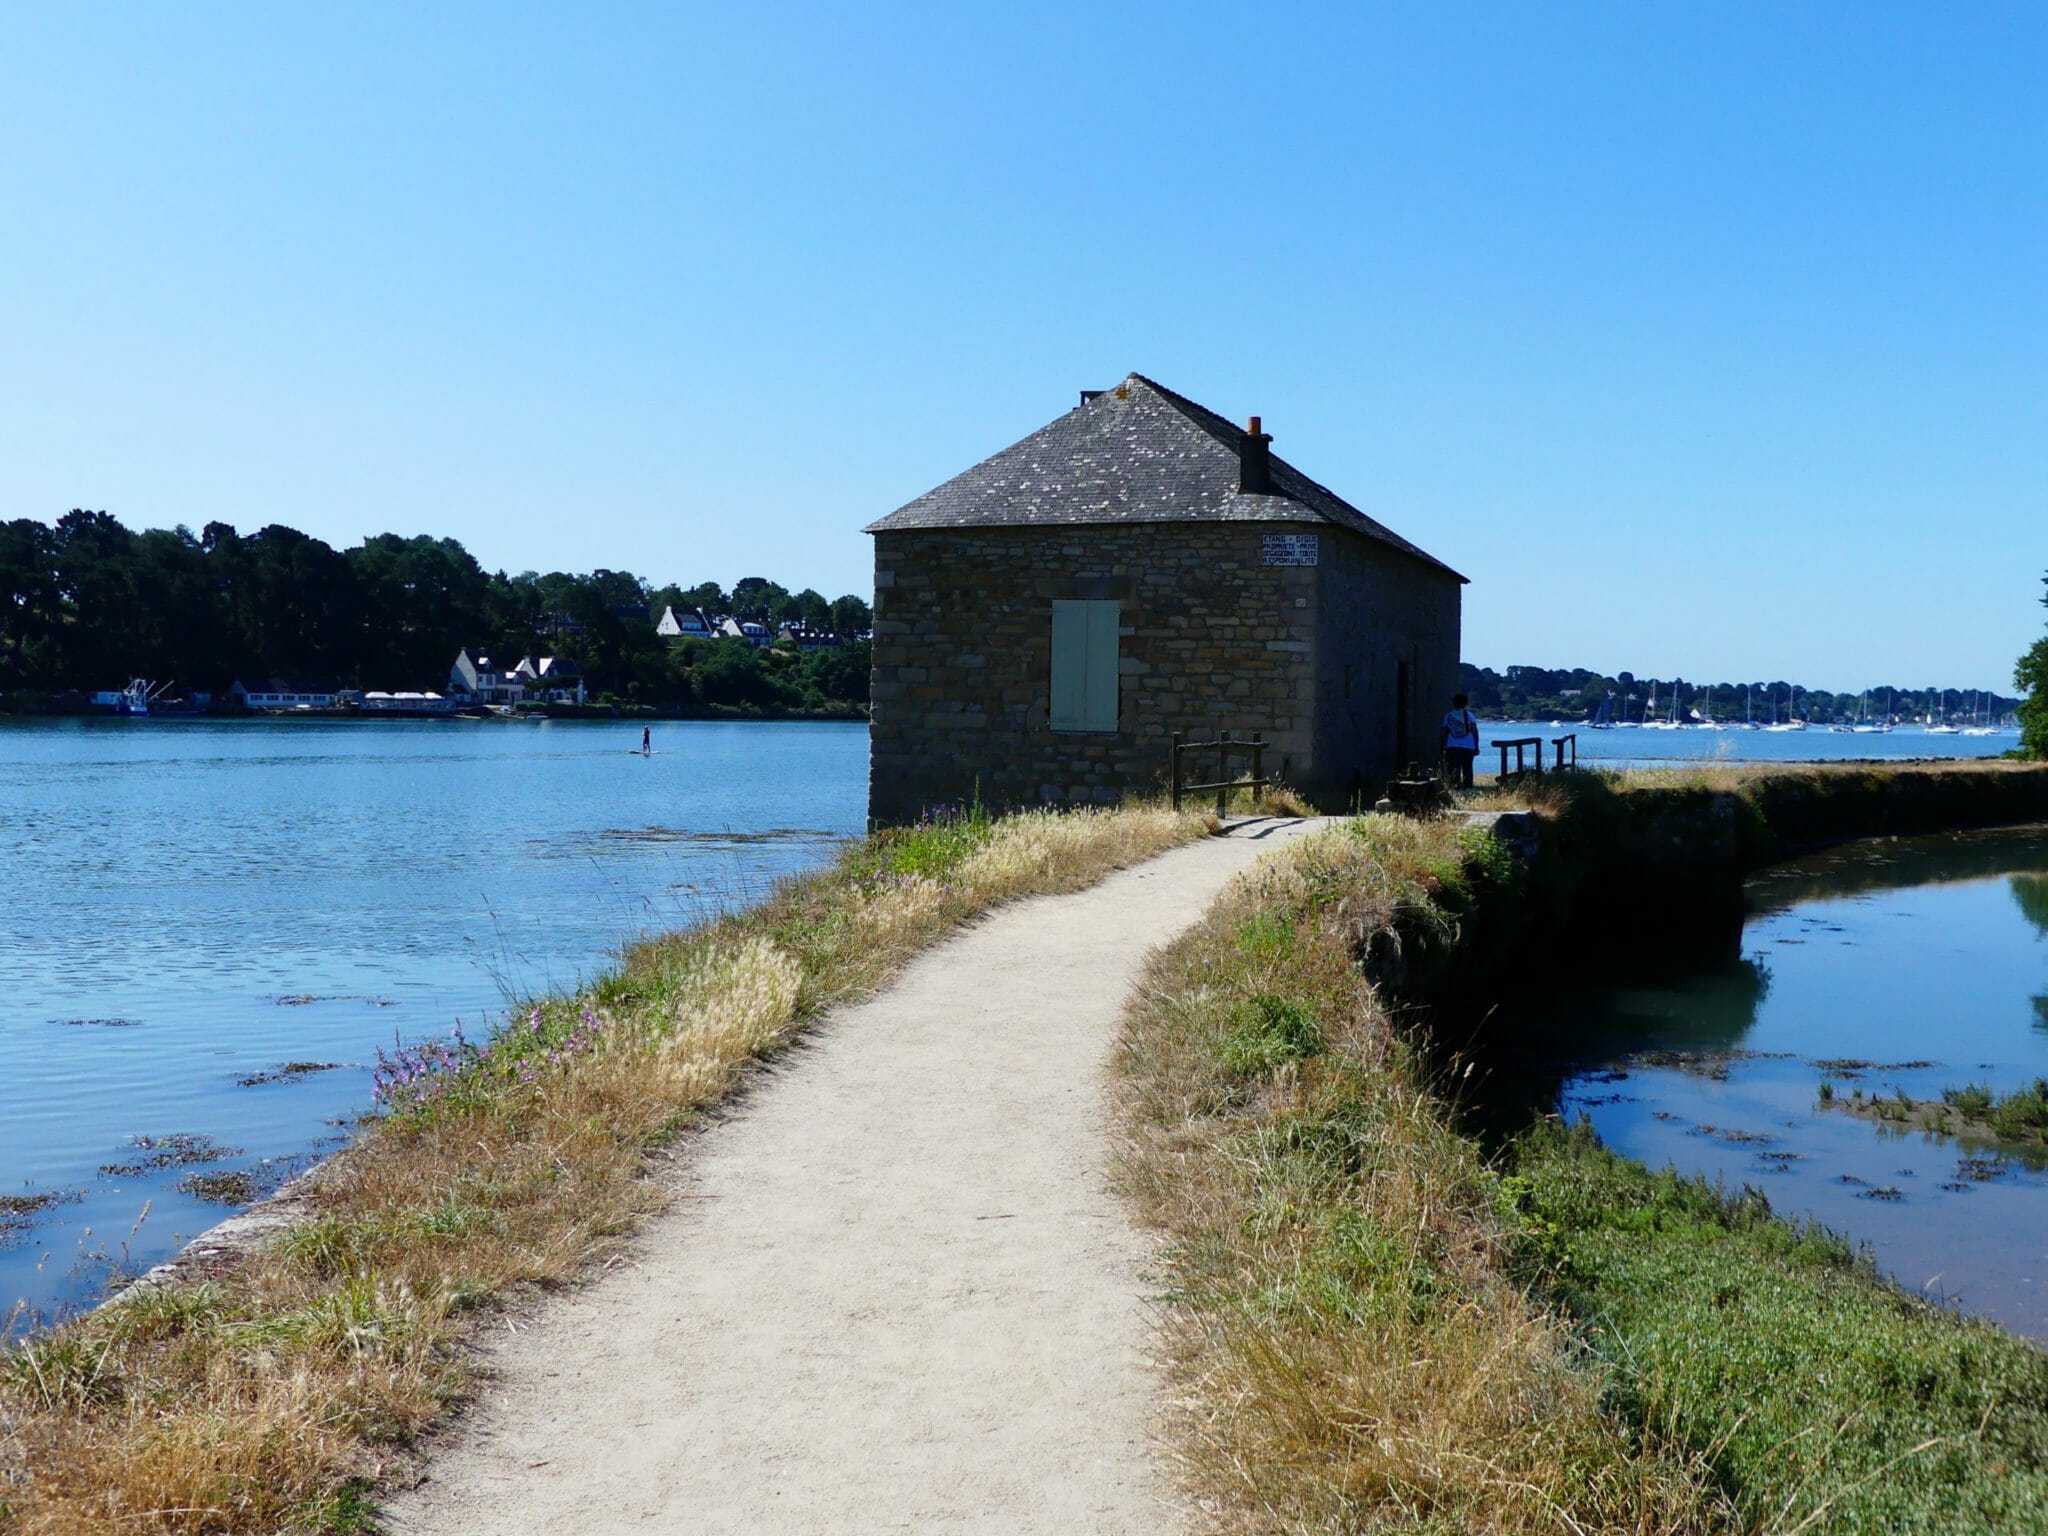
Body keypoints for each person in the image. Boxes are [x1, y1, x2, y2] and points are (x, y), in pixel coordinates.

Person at [1440, 693, 1479, 790]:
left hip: (1452, 745)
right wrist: (1476, 746)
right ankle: (1468, 788)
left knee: (1454, 769)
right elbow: (1474, 731)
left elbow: (1443, 732)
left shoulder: (1448, 715)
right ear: (1465, 703)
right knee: (1468, 769)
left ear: (1453, 703)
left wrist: (1443, 746)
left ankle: (1455, 788)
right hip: (1468, 745)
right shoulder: (1469, 715)